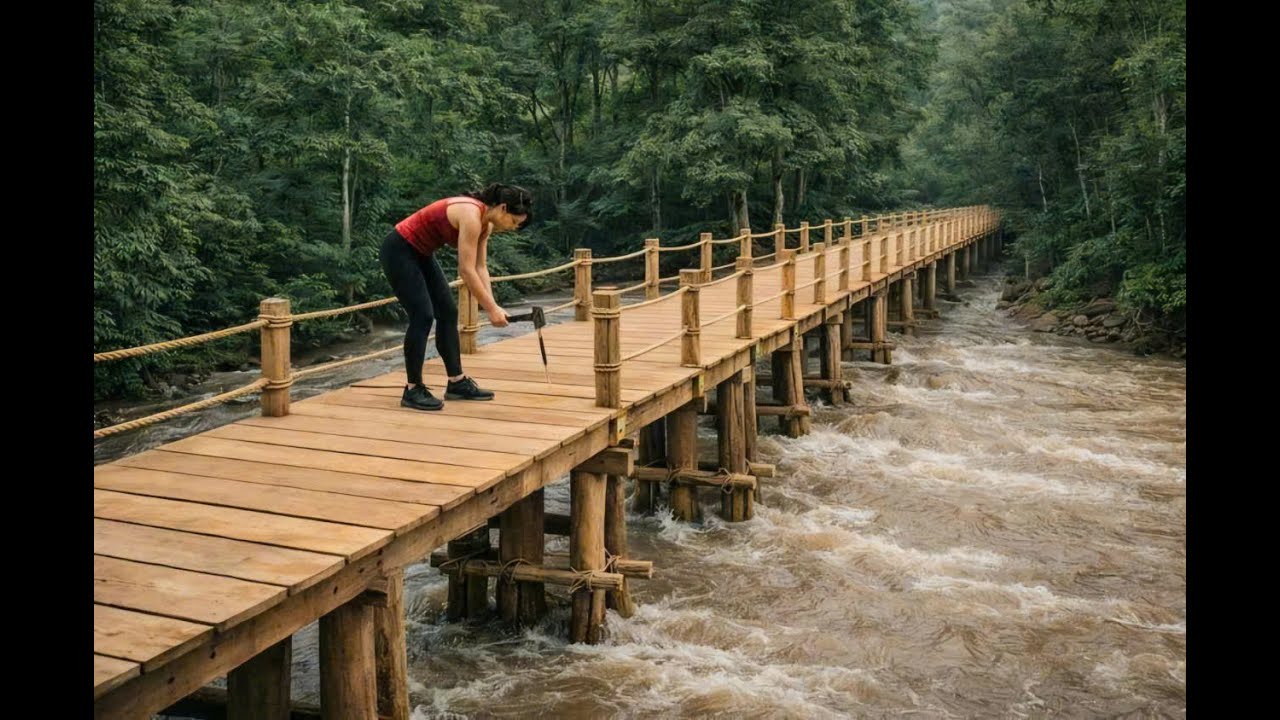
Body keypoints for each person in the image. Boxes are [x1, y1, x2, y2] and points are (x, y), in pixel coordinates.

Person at [380, 183, 532, 410]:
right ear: (502, 208)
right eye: (513, 221)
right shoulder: (471, 215)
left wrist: (493, 305)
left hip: (421, 253)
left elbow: (481, 268)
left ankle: (456, 382)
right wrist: (490, 309)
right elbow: (466, 270)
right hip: (399, 249)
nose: (512, 228)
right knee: (422, 316)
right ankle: (412, 389)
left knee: (448, 313)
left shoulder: (485, 225)